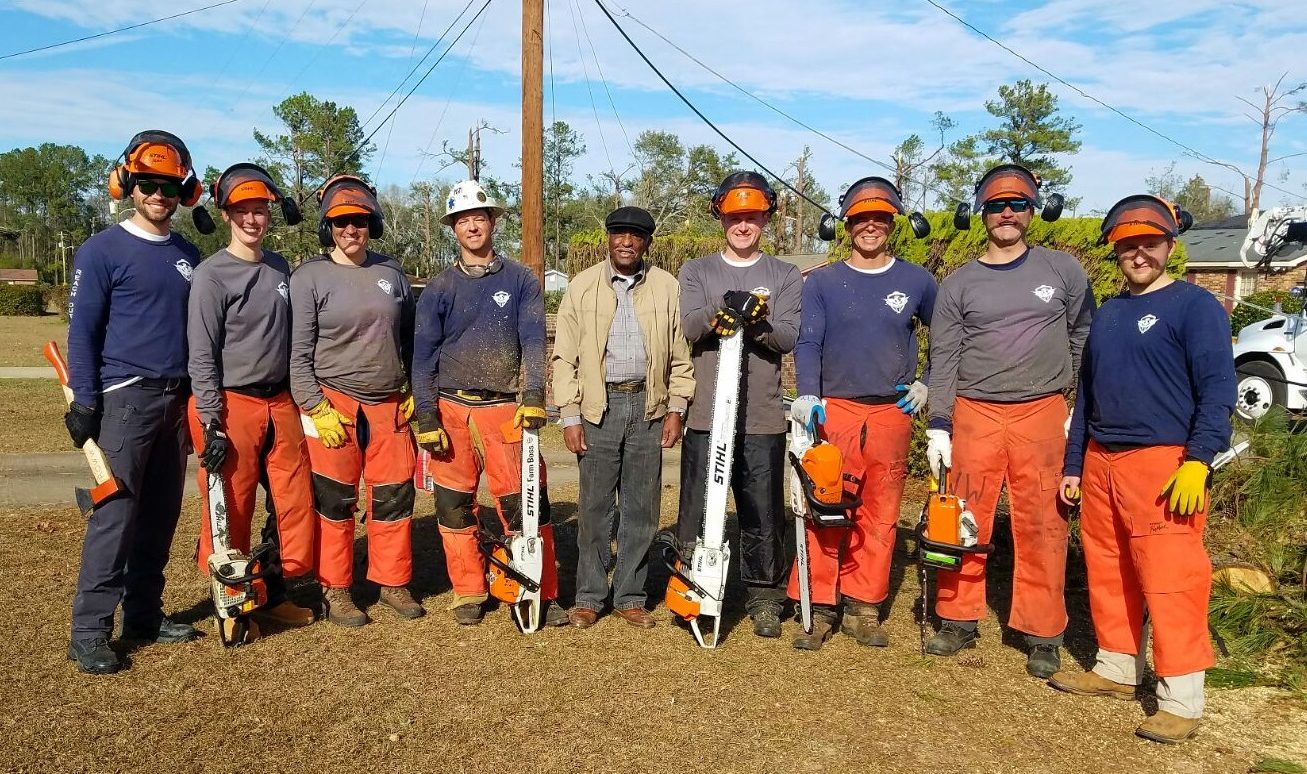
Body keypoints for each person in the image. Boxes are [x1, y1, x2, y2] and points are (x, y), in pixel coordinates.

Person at [1052, 195, 1234, 744]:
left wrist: (1200, 460)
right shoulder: (1108, 312)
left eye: (1149, 244)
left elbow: (1219, 389)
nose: (1138, 254)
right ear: (1116, 250)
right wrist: (1074, 461)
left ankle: (1181, 695)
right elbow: (1086, 396)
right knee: (1109, 568)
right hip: (1103, 460)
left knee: (1171, 578)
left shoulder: (1194, 307)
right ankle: (1116, 666)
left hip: (1164, 462)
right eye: (1128, 245)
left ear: (1169, 246)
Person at [924, 163, 1094, 678]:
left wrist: (1080, 411)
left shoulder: (1063, 271)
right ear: (982, 211)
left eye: (1017, 204)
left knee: (1044, 524)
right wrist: (938, 422)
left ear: (1032, 210)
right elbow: (944, 357)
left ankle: (1042, 629)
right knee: (962, 519)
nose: (1006, 213)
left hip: (1041, 410)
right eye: (997, 205)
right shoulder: (958, 285)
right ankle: (957, 618)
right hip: (975, 411)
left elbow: (1084, 339)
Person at [64, 130, 205, 673]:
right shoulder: (102, 249)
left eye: (168, 187)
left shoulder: (188, 254)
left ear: (183, 192)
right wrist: (86, 400)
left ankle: (144, 614)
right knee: (114, 516)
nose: (157, 195)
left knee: (161, 515)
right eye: (147, 184)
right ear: (128, 185)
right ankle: (90, 630)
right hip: (125, 399)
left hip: (176, 403)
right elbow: (82, 333)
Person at [788, 177, 936, 650]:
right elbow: (809, 341)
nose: (869, 227)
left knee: (881, 510)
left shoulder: (916, 280)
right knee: (826, 506)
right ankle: (820, 600)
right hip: (835, 411)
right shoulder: (825, 282)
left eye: (879, 219)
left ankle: (863, 604)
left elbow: (949, 336)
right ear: (846, 225)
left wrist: (928, 380)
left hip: (892, 411)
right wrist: (808, 393)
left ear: (892, 224)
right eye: (860, 219)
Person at [412, 179, 566, 627]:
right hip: (450, 409)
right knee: (454, 505)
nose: (472, 226)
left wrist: (534, 394)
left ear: (493, 222)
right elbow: (422, 357)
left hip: (503, 408)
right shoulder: (439, 287)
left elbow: (534, 340)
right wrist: (426, 416)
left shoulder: (520, 279)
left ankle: (536, 584)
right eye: (462, 220)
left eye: (479, 217)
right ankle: (468, 591)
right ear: (453, 229)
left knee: (526, 502)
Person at [186, 163, 316, 636]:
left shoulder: (280, 267)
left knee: (293, 501)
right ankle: (234, 603)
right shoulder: (211, 276)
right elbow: (200, 353)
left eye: (260, 210)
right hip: (231, 401)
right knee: (231, 504)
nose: (252, 220)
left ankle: (274, 592)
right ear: (225, 215)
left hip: (280, 401)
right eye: (242, 211)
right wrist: (211, 421)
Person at [552, 206, 695, 629]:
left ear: (647, 242)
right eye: (619, 234)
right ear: (608, 239)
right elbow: (564, 358)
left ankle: (631, 595)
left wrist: (676, 409)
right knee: (595, 507)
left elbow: (681, 358)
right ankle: (590, 596)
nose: (626, 242)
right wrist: (570, 414)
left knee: (642, 508)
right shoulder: (582, 287)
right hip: (599, 408)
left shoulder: (667, 287)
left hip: (648, 409)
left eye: (635, 235)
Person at [289, 175, 421, 627]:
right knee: (334, 500)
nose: (352, 230)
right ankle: (337, 587)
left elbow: (410, 340)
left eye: (360, 221)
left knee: (393, 497)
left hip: (388, 405)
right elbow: (297, 353)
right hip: (334, 403)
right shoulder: (309, 277)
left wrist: (411, 390)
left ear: (373, 225)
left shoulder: (391, 273)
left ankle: (392, 582)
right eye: (342, 221)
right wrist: (314, 405)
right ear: (328, 227)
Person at [675, 171, 803, 638]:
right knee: (696, 508)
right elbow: (689, 328)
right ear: (721, 218)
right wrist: (718, 312)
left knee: (761, 511)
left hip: (762, 417)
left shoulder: (784, 275)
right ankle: (691, 586)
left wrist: (758, 320)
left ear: (765, 218)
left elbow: (788, 336)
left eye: (752, 217)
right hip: (708, 413)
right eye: (735, 217)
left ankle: (765, 596)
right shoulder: (697, 270)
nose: (743, 226)